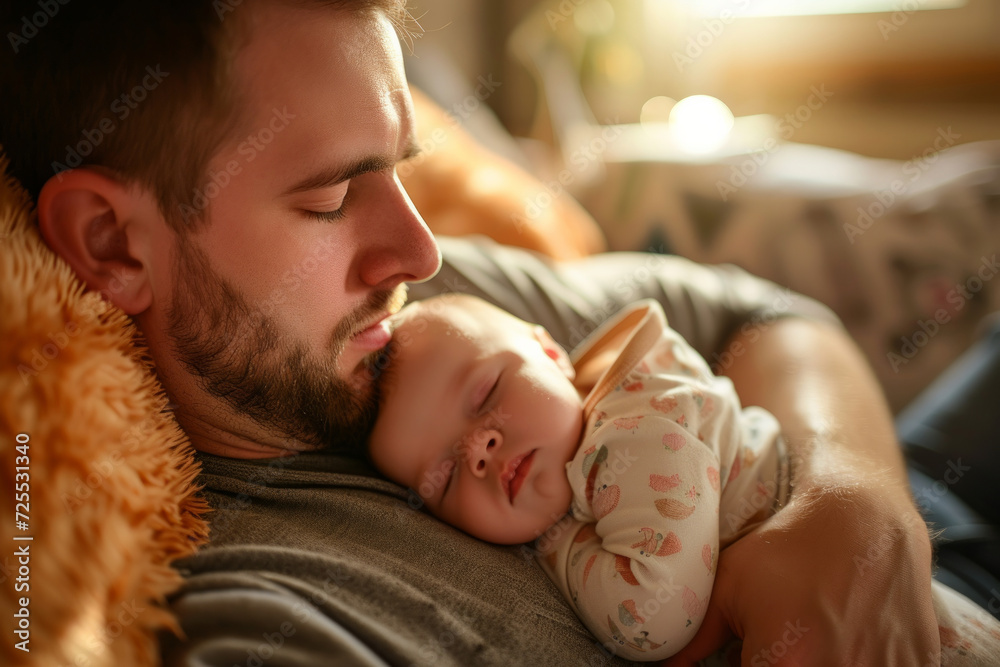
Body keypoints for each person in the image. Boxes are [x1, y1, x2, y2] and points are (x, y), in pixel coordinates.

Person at [0, 0, 971, 664]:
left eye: (399, 169)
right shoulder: (269, 614)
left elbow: (761, 314)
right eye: (333, 195)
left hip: (926, 520)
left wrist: (853, 498)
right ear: (110, 241)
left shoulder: (420, 313)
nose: (419, 250)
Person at [367, 293, 1000, 663]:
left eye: (486, 394)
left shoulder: (635, 431)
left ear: (553, 352)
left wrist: (557, 544)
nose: (481, 447)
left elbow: (655, 616)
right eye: (445, 475)